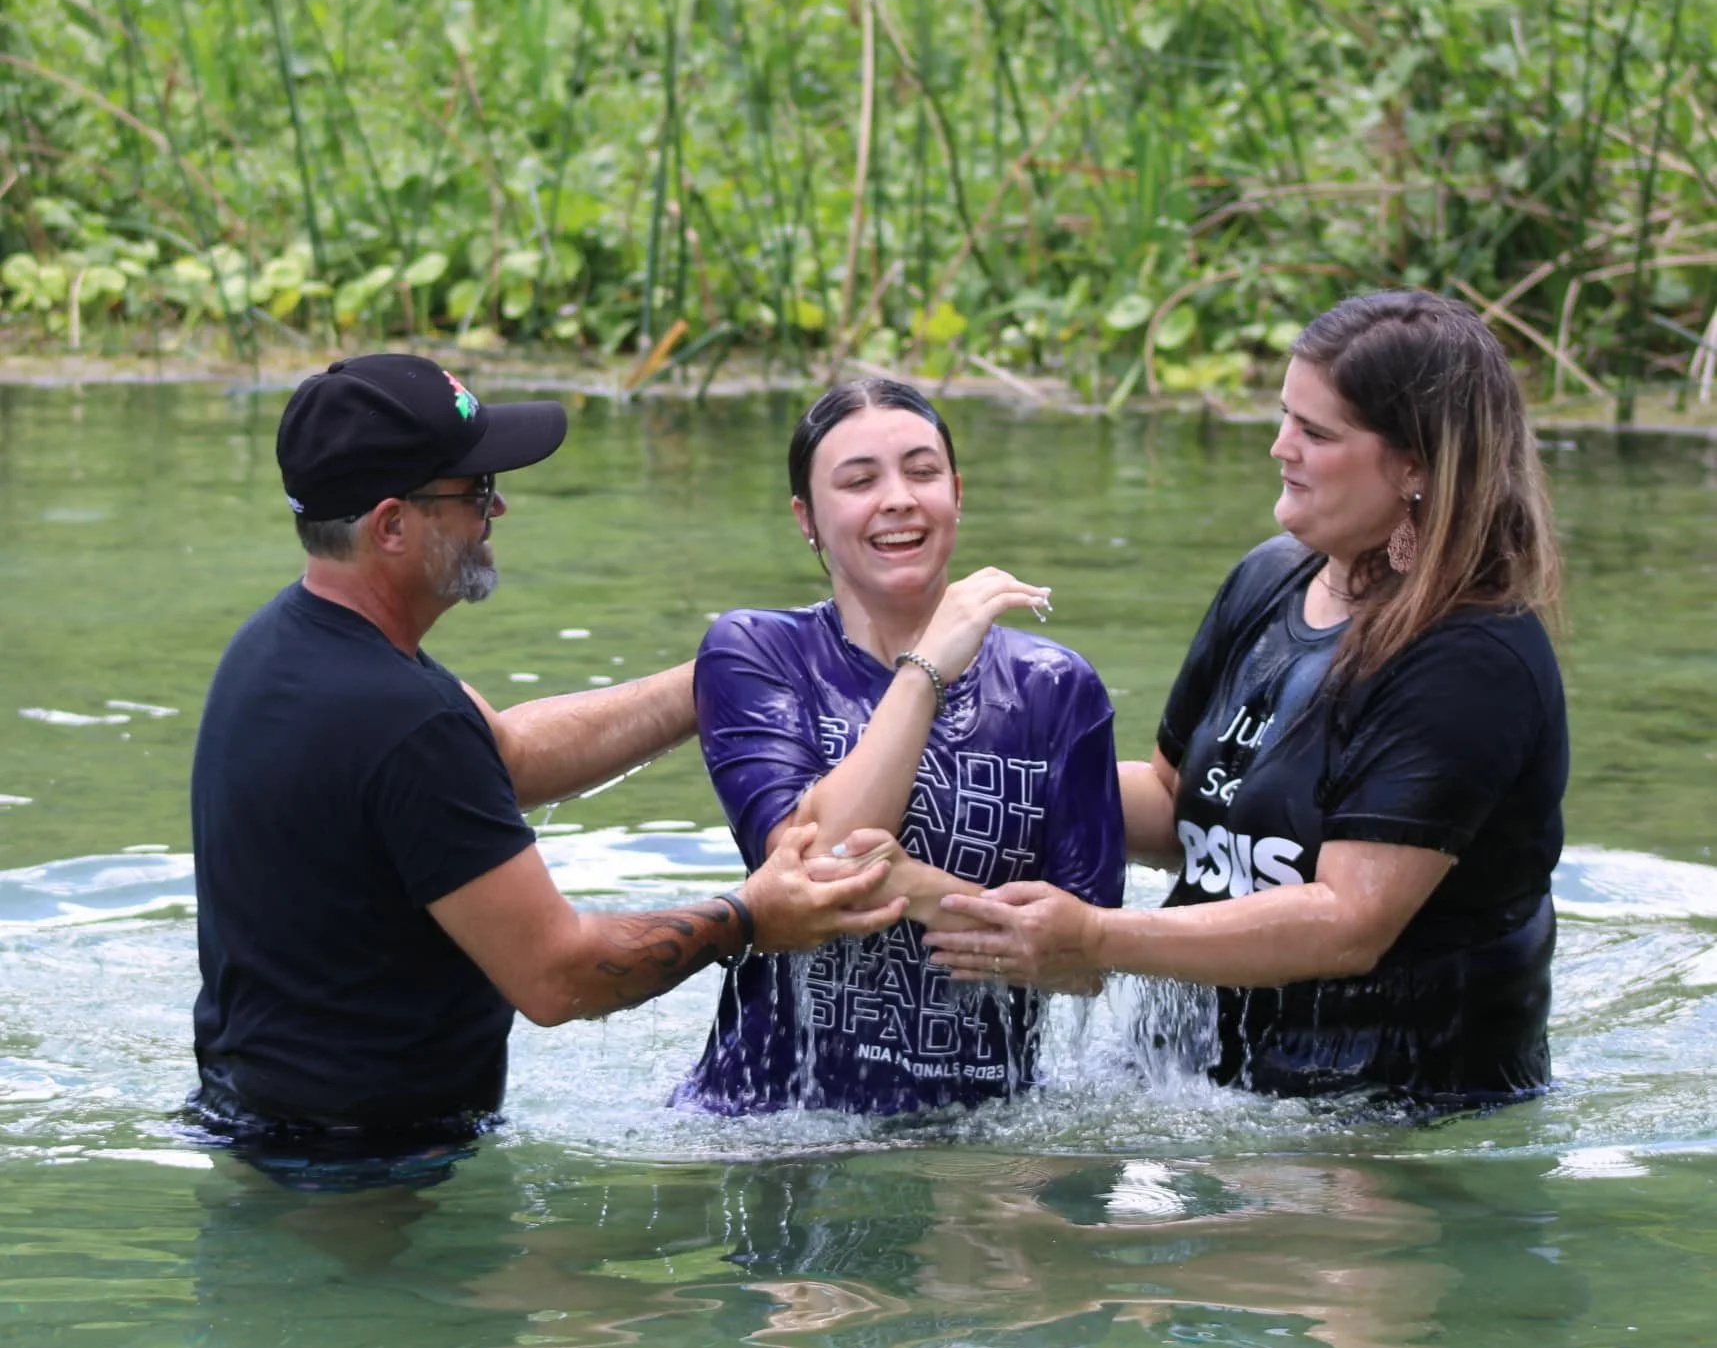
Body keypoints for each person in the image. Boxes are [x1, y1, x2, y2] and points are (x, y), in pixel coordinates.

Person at [189, 354, 902, 1165]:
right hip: (359, 1172)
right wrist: (750, 916)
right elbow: (560, 977)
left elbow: (510, 755)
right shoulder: (399, 719)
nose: (499, 506)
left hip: (268, 1116)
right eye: (474, 491)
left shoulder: (289, 645)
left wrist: (728, 672)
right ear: (390, 526)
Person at [926, 292, 1568, 1109]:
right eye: (1283, 417)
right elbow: (1172, 799)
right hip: (1203, 1082)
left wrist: (1092, 937)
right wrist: (956, 777)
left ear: (1416, 466)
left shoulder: (1470, 658)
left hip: (1387, 1118)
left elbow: (1347, 921)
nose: (1279, 447)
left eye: (1316, 432)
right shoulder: (1271, 578)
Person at [674, 376, 1126, 1116]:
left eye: (921, 472)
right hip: (769, 1124)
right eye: (858, 480)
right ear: (806, 519)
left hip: (982, 1140)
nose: (897, 498)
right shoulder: (755, 651)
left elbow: (1085, 962)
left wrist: (922, 892)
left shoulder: (1054, 686)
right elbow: (819, 866)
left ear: (956, 491)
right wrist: (925, 672)